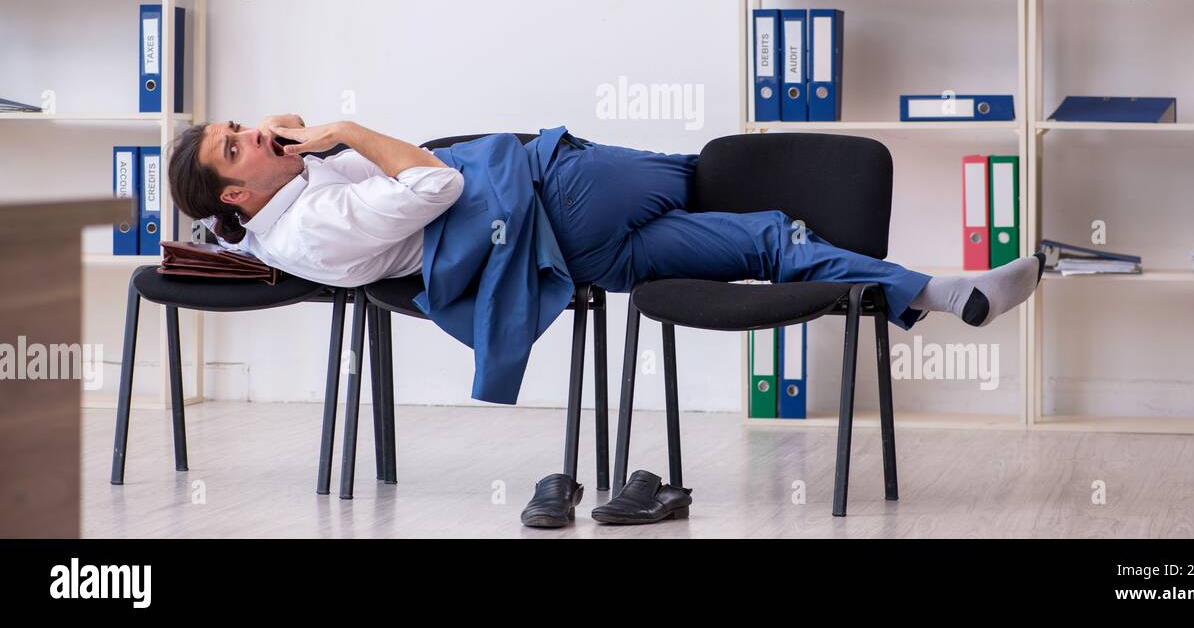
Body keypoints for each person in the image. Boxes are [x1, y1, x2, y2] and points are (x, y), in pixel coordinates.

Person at [168, 115, 1044, 526]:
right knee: (692, 174)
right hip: (555, 198)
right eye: (239, 144)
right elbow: (436, 183)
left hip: (575, 255)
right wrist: (350, 129)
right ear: (237, 192)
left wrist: (303, 143)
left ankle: (943, 292)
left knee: (773, 237)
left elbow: (381, 188)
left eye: (241, 125)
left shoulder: (290, 205)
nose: (257, 132)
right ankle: (903, 270)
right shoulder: (315, 223)